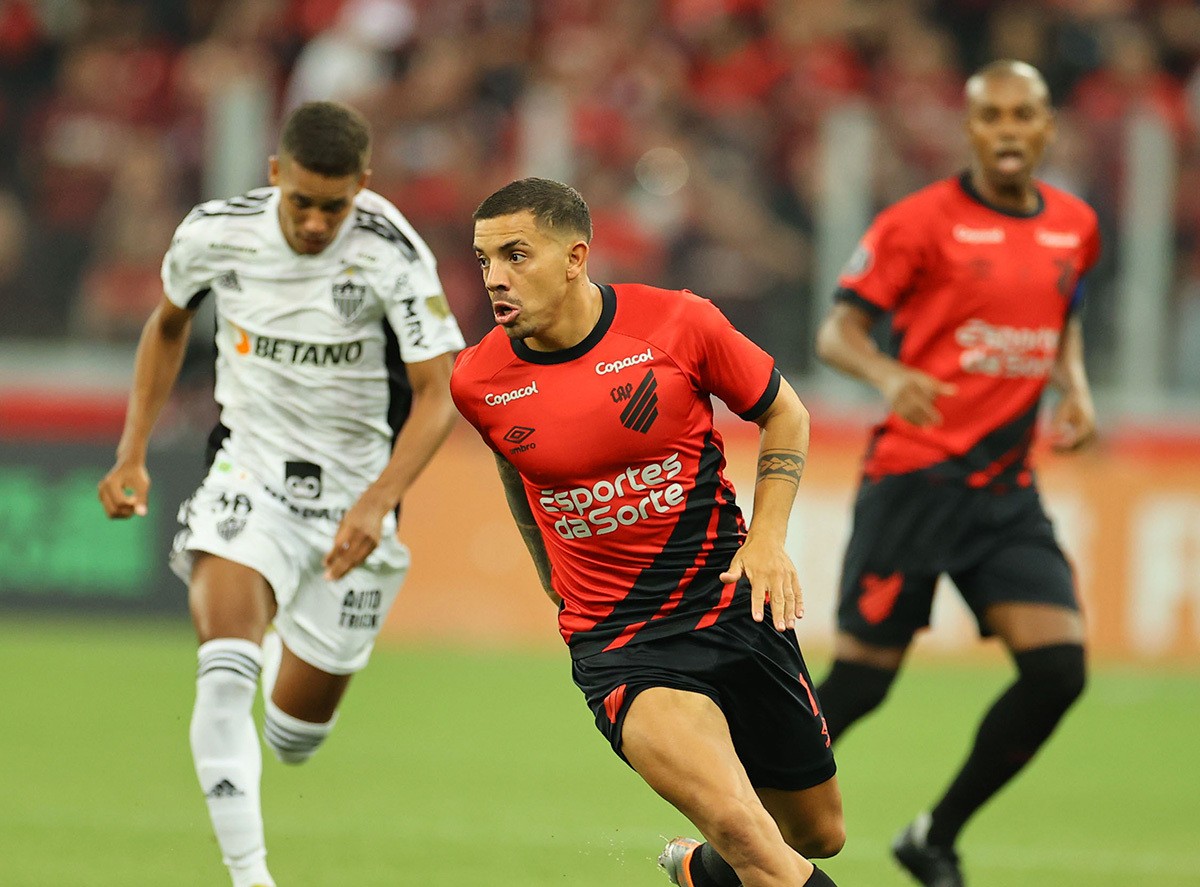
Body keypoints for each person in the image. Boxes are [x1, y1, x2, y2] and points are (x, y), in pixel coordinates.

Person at [98, 100, 464, 887]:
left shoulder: (391, 251)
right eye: (301, 201)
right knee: (223, 669)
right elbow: (167, 325)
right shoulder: (214, 232)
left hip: (355, 500)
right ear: (274, 177)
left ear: (363, 188)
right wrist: (131, 451)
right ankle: (252, 876)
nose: (314, 222)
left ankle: (275, 638)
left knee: (295, 737)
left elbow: (440, 393)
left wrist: (379, 501)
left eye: (334, 206)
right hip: (248, 473)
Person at [451, 177, 844, 887]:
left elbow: (786, 414)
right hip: (623, 641)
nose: (496, 279)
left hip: (732, 605)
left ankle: (699, 871)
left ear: (575, 257)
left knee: (815, 832)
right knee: (746, 833)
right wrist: (548, 568)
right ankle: (720, 852)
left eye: (515, 255)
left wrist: (767, 539)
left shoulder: (676, 325)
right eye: (484, 261)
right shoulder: (478, 378)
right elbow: (517, 467)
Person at [813, 60, 1099, 887]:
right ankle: (739, 842)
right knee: (862, 686)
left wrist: (1072, 388)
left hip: (1005, 490)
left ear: (1048, 128)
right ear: (969, 130)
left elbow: (1064, 313)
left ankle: (932, 834)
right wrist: (889, 375)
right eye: (991, 116)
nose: (1008, 130)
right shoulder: (919, 222)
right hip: (915, 480)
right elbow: (838, 333)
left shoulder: (1075, 225)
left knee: (1058, 670)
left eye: (1024, 115)